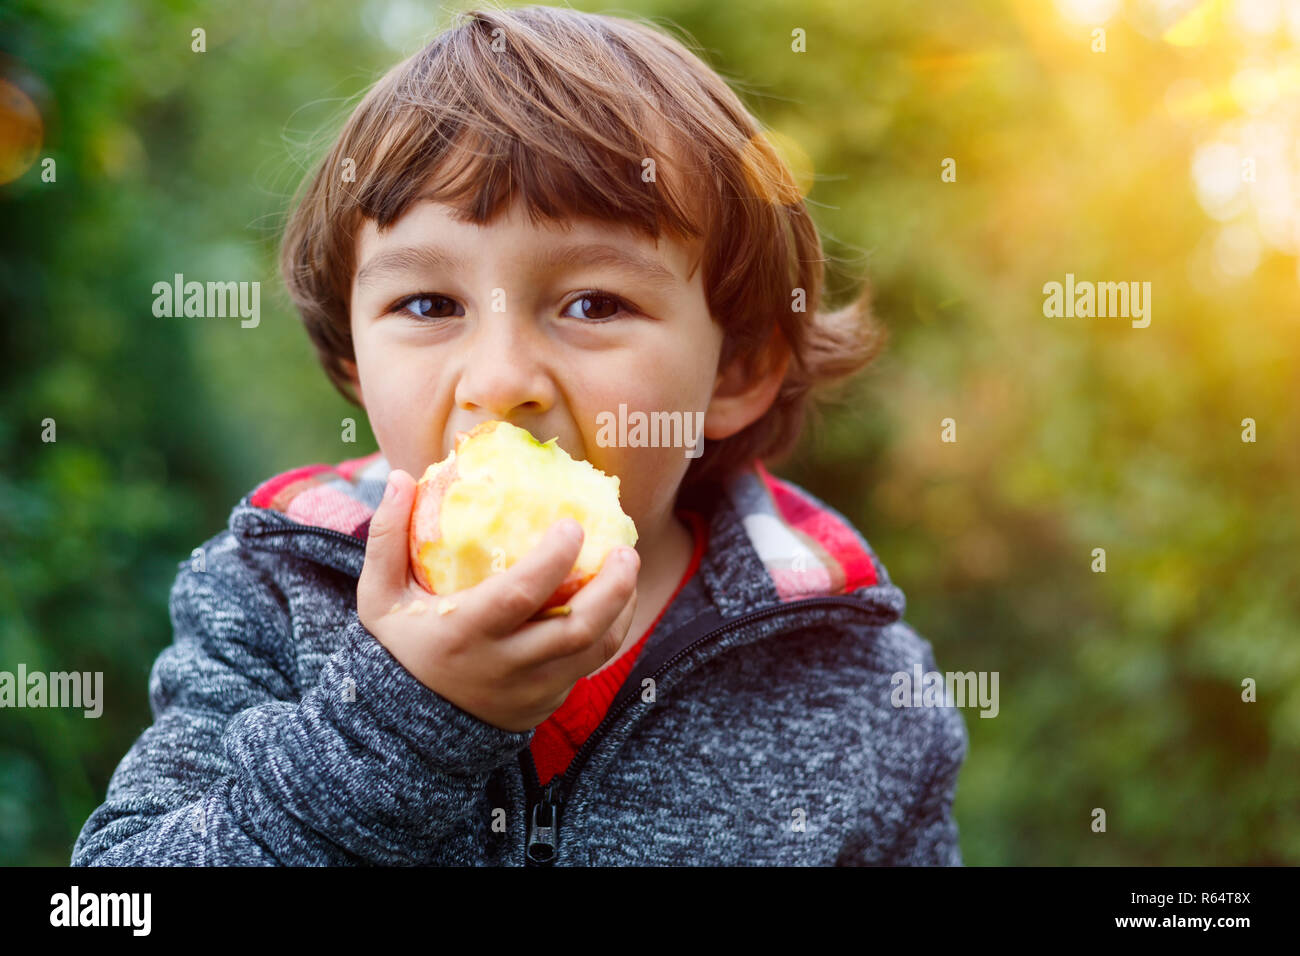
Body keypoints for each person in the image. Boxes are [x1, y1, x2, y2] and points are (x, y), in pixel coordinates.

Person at [72, 3, 966, 866]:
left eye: (593, 304)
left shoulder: (857, 682)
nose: (499, 382)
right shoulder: (273, 596)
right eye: (428, 304)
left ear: (734, 371)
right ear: (352, 358)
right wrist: (403, 720)